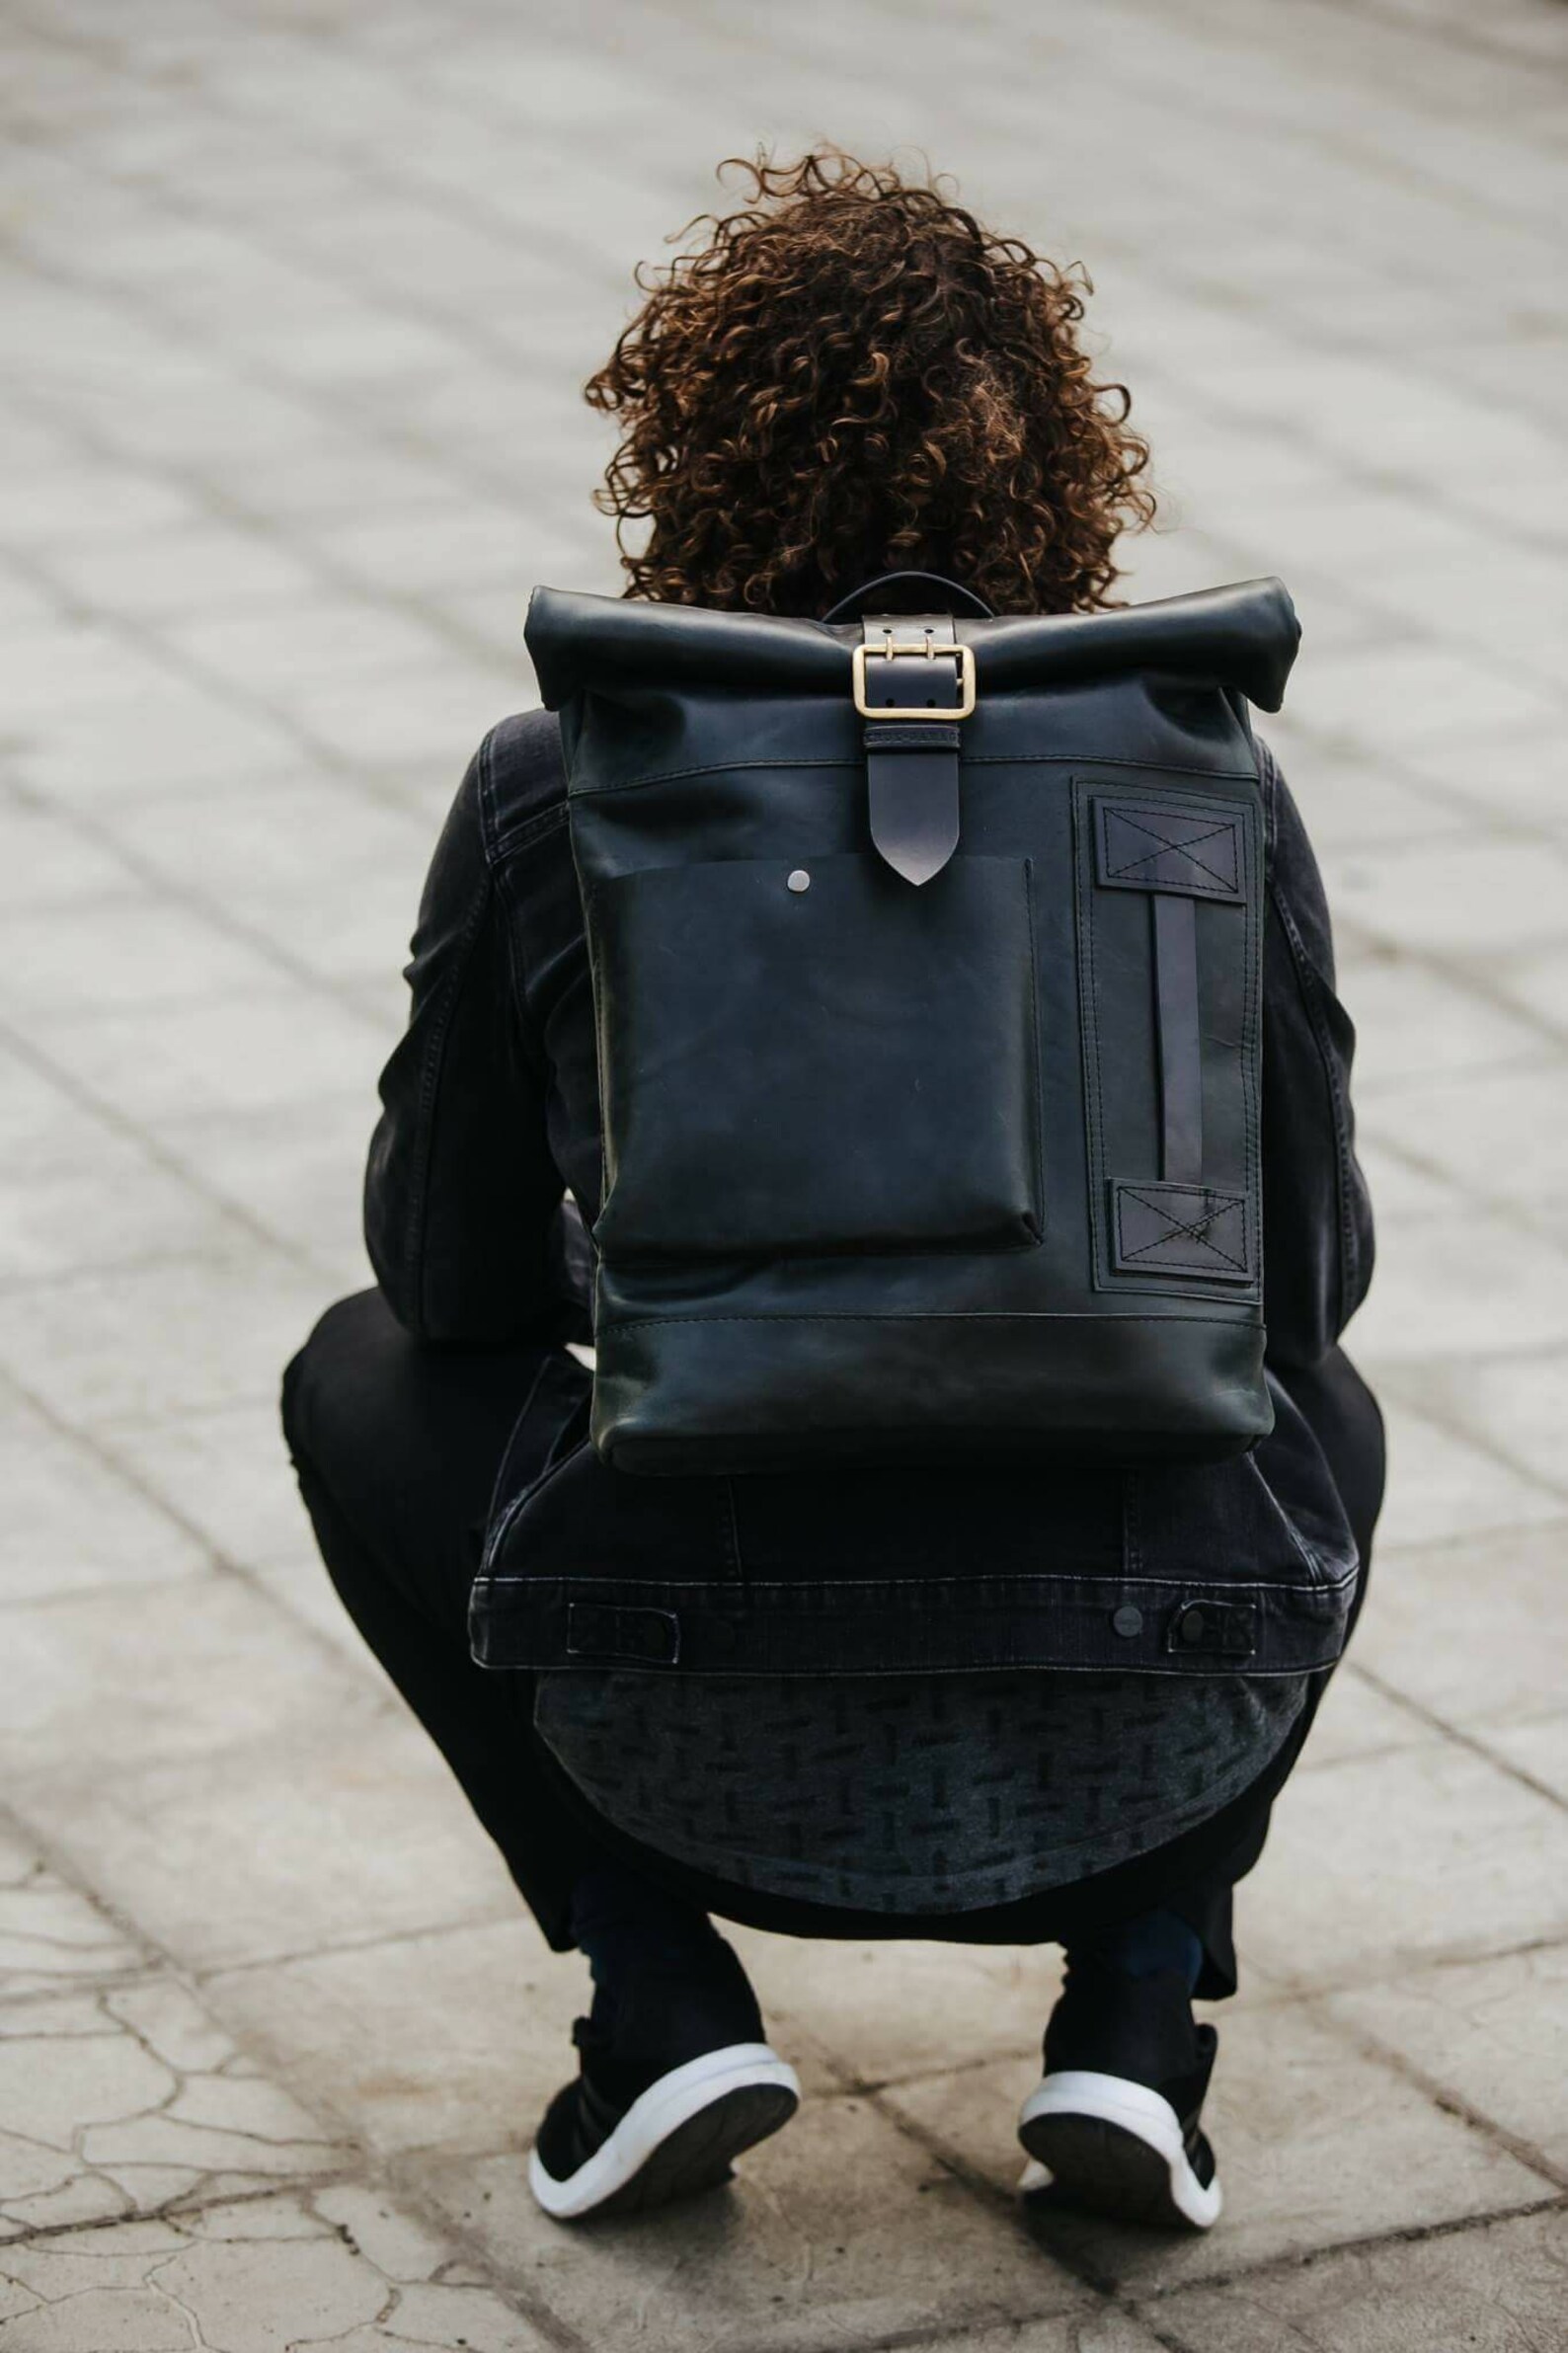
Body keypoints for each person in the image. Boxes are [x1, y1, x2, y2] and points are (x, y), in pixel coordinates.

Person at [281, 150, 1382, 2234]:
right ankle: (1137, 2019)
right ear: (1058, 473)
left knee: (358, 1376)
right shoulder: (1193, 777)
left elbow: (441, 1284)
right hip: (1154, 1707)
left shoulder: (561, 781)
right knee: (1323, 1407)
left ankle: (654, 1986)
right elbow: (1306, 1285)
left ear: (690, 459)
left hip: (663, 1710)